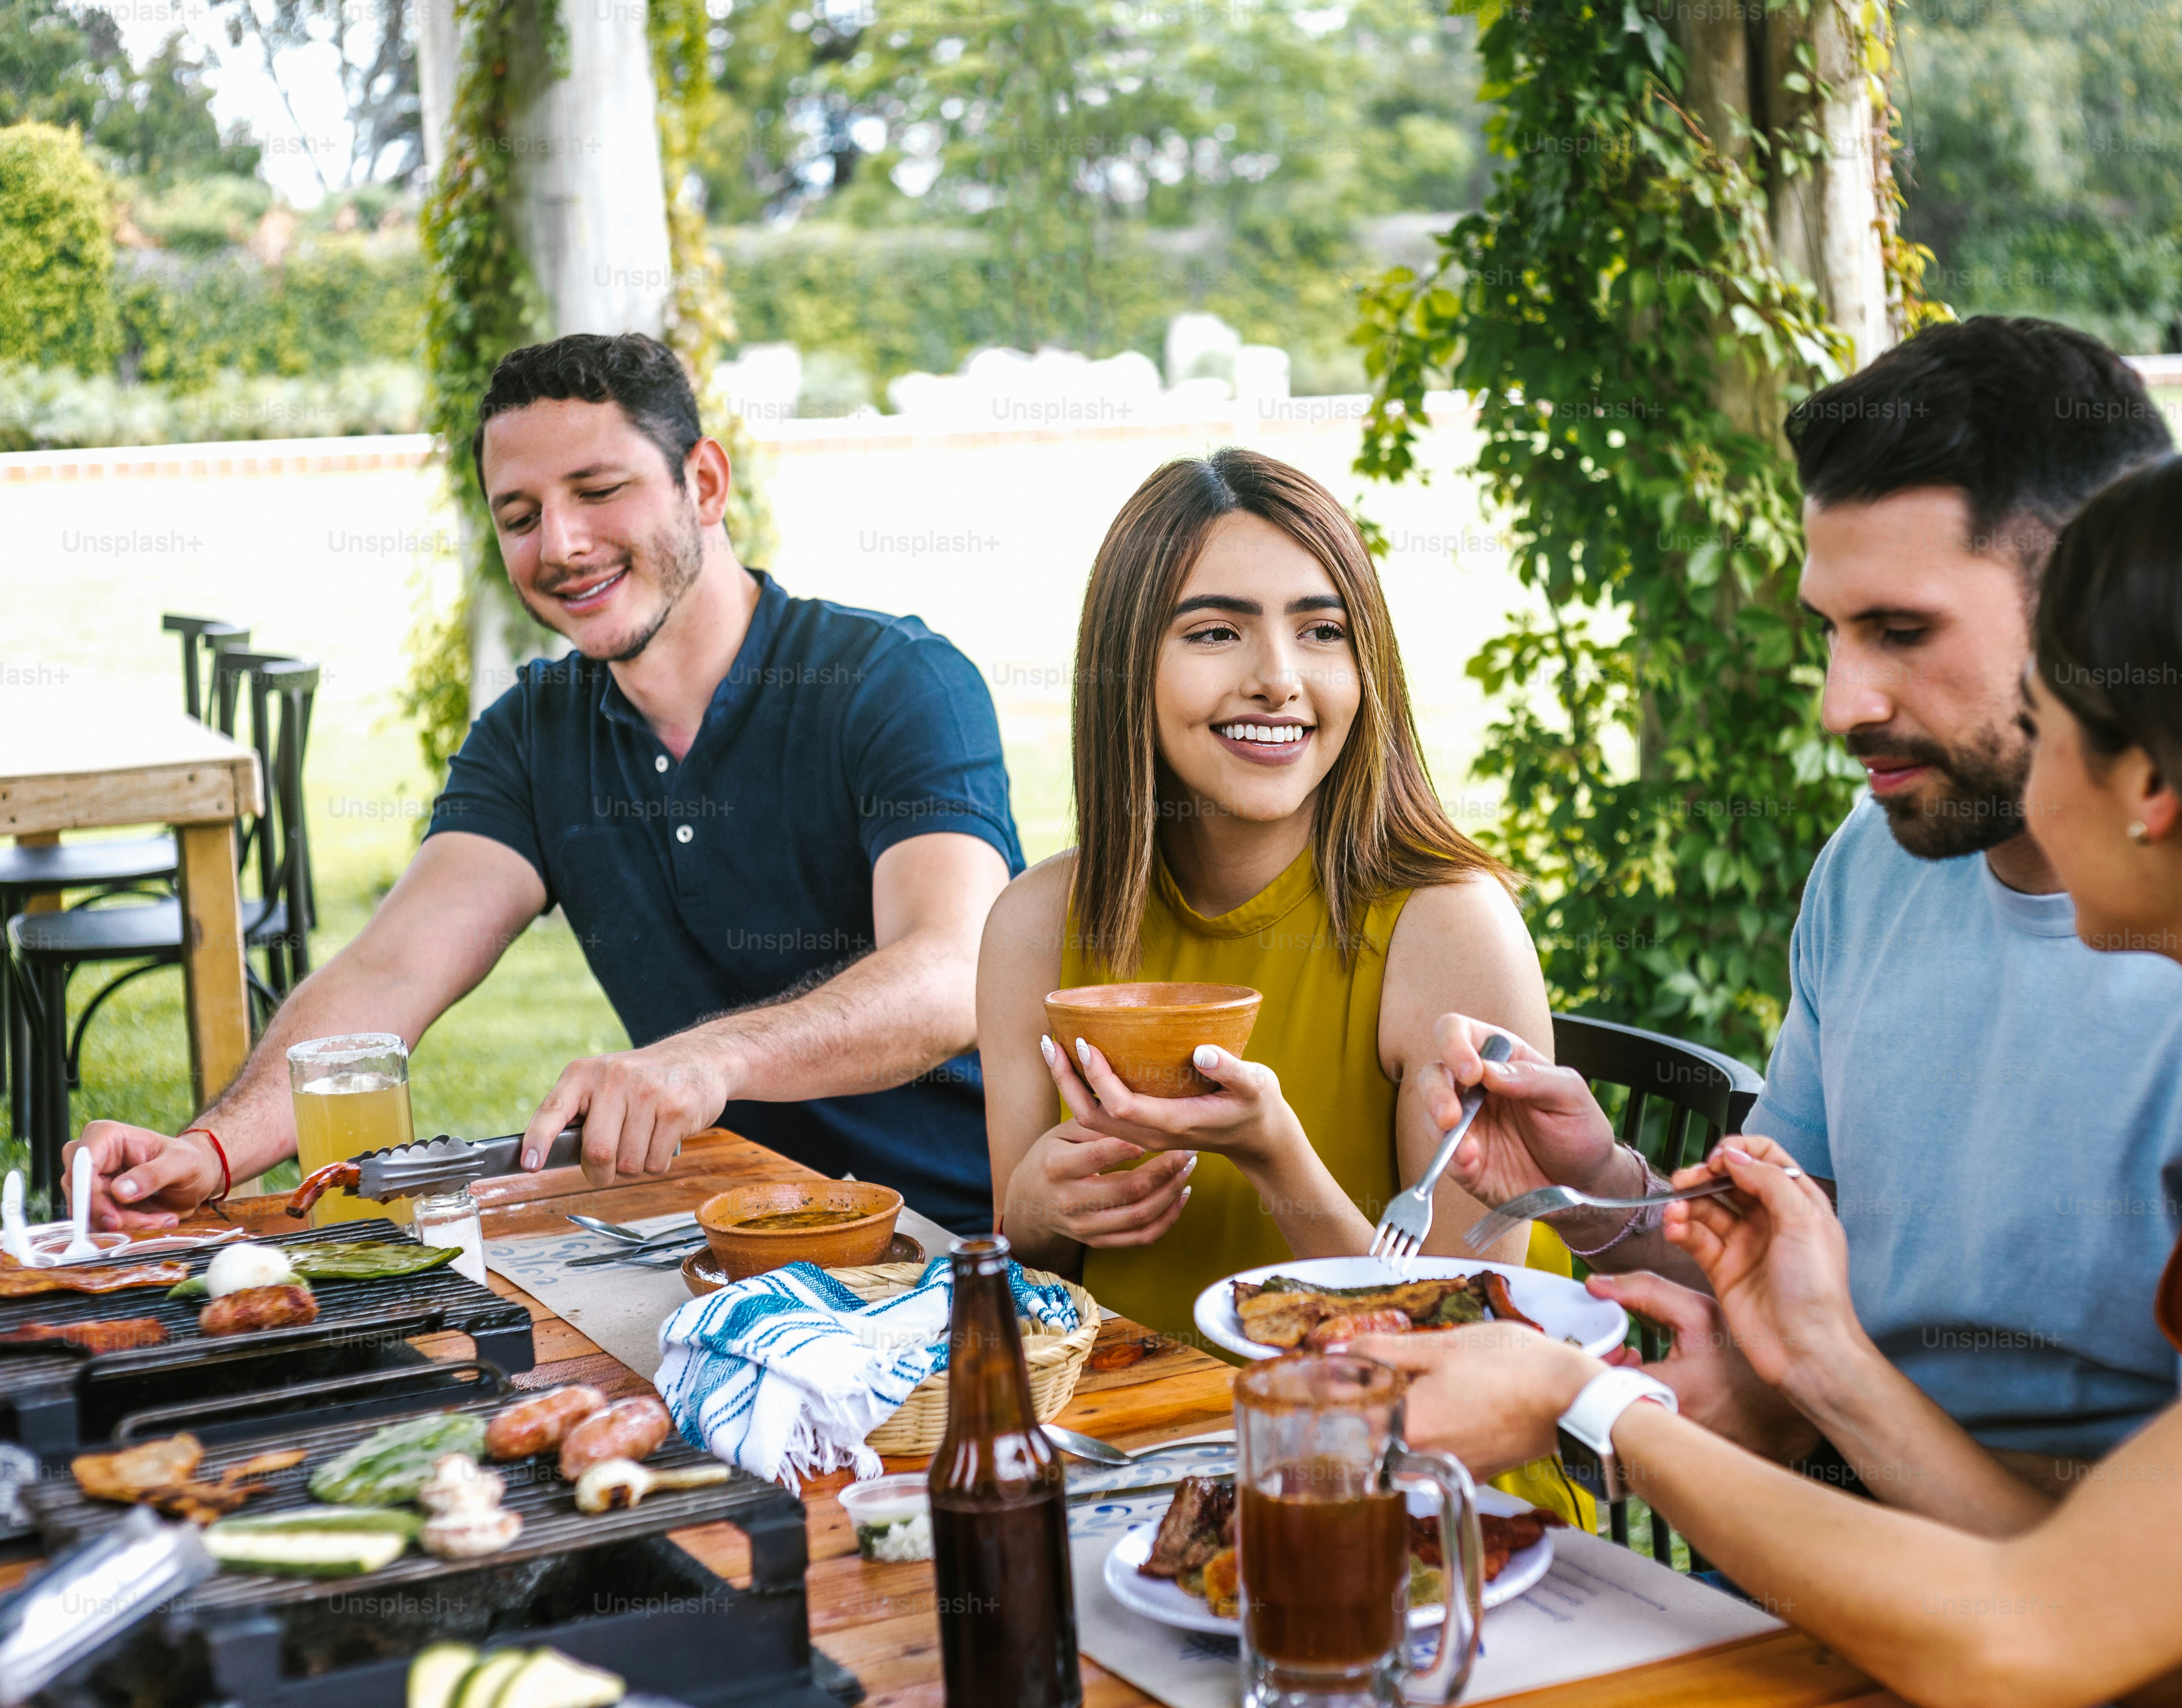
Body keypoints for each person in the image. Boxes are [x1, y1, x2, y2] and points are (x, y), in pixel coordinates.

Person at [1360, 437, 2182, 1708]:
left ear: (2150, 786)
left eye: (2048, 736)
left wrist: (1589, 1404)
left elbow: (2024, 1645)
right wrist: (1824, 1361)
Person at [1415, 318, 2182, 1502]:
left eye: (1902, 632)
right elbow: (1792, 1271)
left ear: (2101, 613)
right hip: (1836, 1550)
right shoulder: (1878, 858)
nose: (1839, 703)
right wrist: (1599, 1185)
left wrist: (1796, 1422)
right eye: (1832, 633)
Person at [75, 333, 1023, 1233]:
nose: (560, 544)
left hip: (968, 1240)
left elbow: (953, 971)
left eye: (598, 491)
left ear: (704, 482)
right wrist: (209, 1148)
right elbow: (390, 971)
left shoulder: (893, 680)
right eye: (519, 516)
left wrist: (708, 1061)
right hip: (731, 1238)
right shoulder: (534, 733)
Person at [977, 448, 1566, 1336]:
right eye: (1216, 632)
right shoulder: (1034, 924)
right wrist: (1032, 1218)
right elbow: (1033, 1307)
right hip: (1132, 1447)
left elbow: (1465, 1344)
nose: (1279, 678)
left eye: (1322, 631)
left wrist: (1274, 1157)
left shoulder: (1450, 929)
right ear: (1127, 664)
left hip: (1397, 1460)